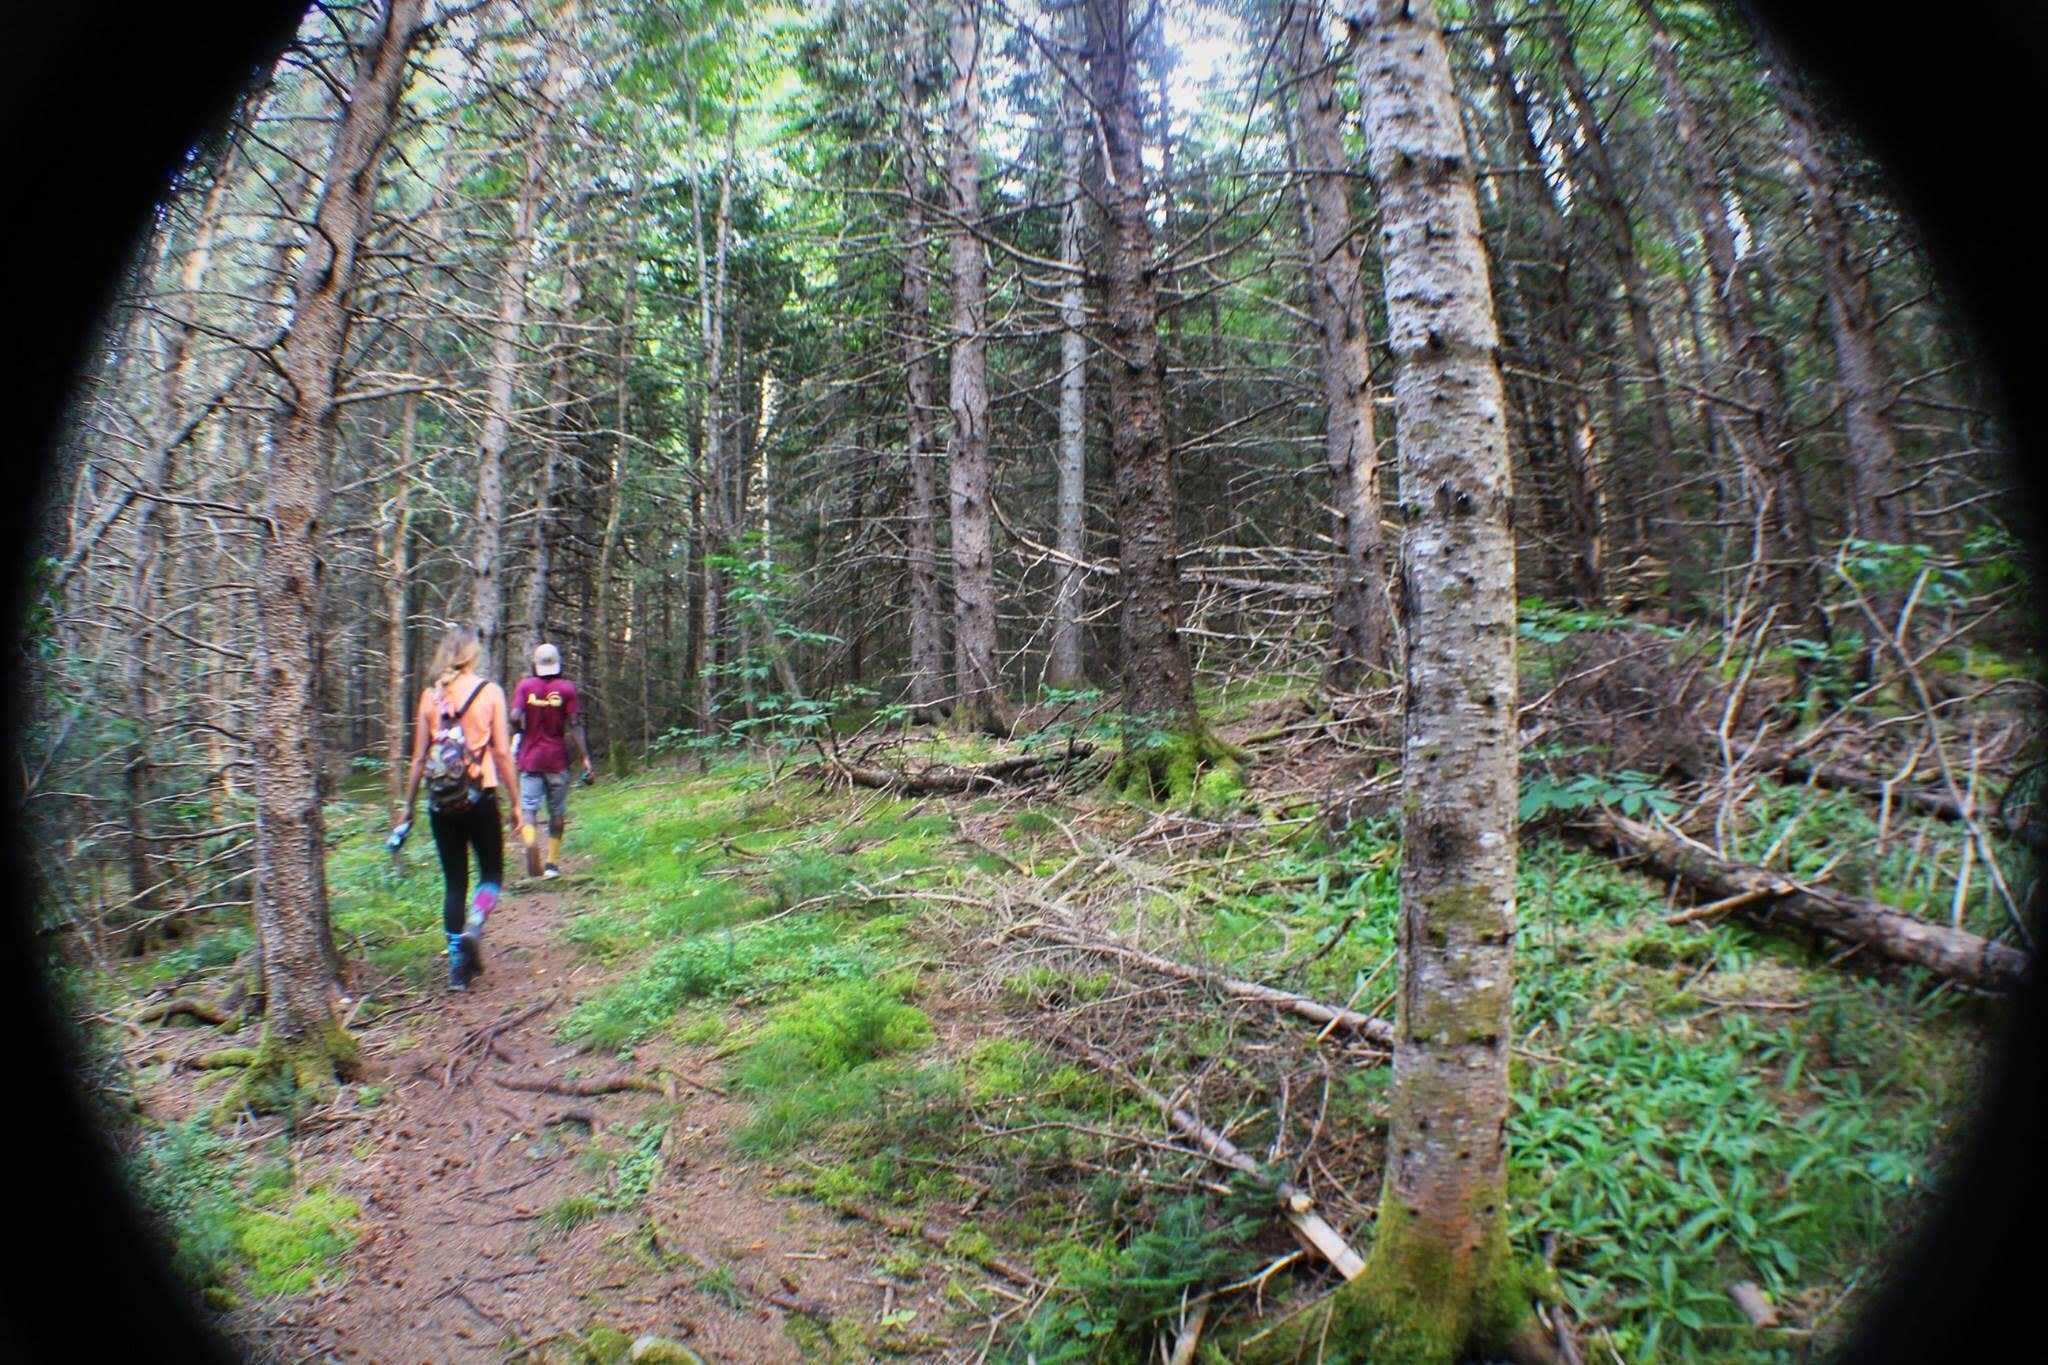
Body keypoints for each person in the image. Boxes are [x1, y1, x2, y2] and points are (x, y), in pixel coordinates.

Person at [397, 626, 519, 990]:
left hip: (440, 802)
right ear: (472, 654)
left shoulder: (429, 697)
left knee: (454, 882)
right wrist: (516, 805)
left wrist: (407, 808)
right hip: (481, 795)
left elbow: (418, 758)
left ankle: (457, 970)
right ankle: (475, 924)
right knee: (492, 874)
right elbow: (500, 752)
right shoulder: (490, 692)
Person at [510, 641, 595, 879]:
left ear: (535, 665)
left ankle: (530, 846)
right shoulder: (567, 689)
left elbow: (514, 715)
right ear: (558, 664)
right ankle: (552, 864)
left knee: (529, 809)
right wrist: (585, 757)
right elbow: (575, 725)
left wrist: (520, 731)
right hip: (557, 761)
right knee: (556, 811)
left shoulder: (525, 687)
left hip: (530, 759)